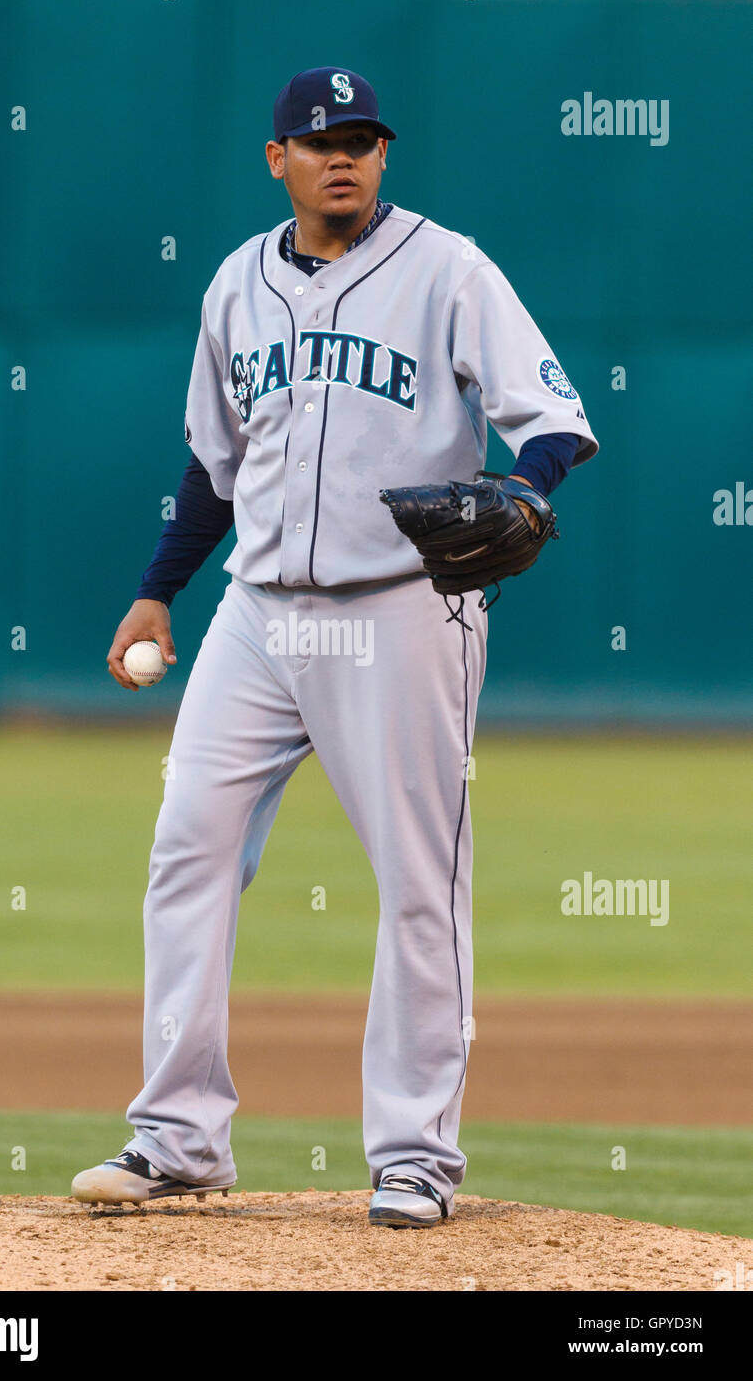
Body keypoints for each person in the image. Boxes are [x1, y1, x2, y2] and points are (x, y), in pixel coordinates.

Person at [71, 66, 598, 1228]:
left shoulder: (448, 268)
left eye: (361, 138)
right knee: (186, 852)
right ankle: (177, 1136)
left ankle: (413, 1155)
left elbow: (554, 416)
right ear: (278, 161)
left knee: (419, 882)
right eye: (319, 142)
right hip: (255, 614)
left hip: (401, 607)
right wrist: (158, 593)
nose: (342, 156)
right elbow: (215, 467)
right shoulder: (233, 286)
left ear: (380, 154)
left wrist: (521, 484)